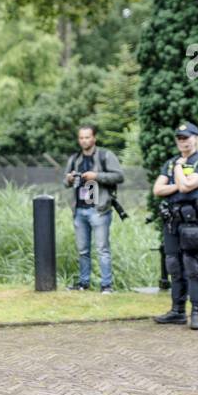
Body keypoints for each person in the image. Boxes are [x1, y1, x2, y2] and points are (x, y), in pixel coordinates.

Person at [152, 122, 198, 331]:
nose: (183, 142)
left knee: (194, 268)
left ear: (196, 138)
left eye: (186, 138)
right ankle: (177, 311)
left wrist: (179, 169)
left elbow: (188, 186)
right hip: (173, 221)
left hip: (193, 223)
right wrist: (177, 184)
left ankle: (197, 311)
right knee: (174, 266)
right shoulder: (170, 162)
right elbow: (158, 189)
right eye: (179, 138)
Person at [63, 124, 123, 293]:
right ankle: (83, 283)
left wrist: (96, 176)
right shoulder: (75, 158)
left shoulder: (105, 155)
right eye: (81, 138)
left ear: (94, 138)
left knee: (102, 249)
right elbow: (65, 183)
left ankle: (106, 285)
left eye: (87, 137)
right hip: (80, 210)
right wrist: (68, 179)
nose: (84, 140)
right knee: (83, 250)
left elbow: (119, 176)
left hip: (99, 209)